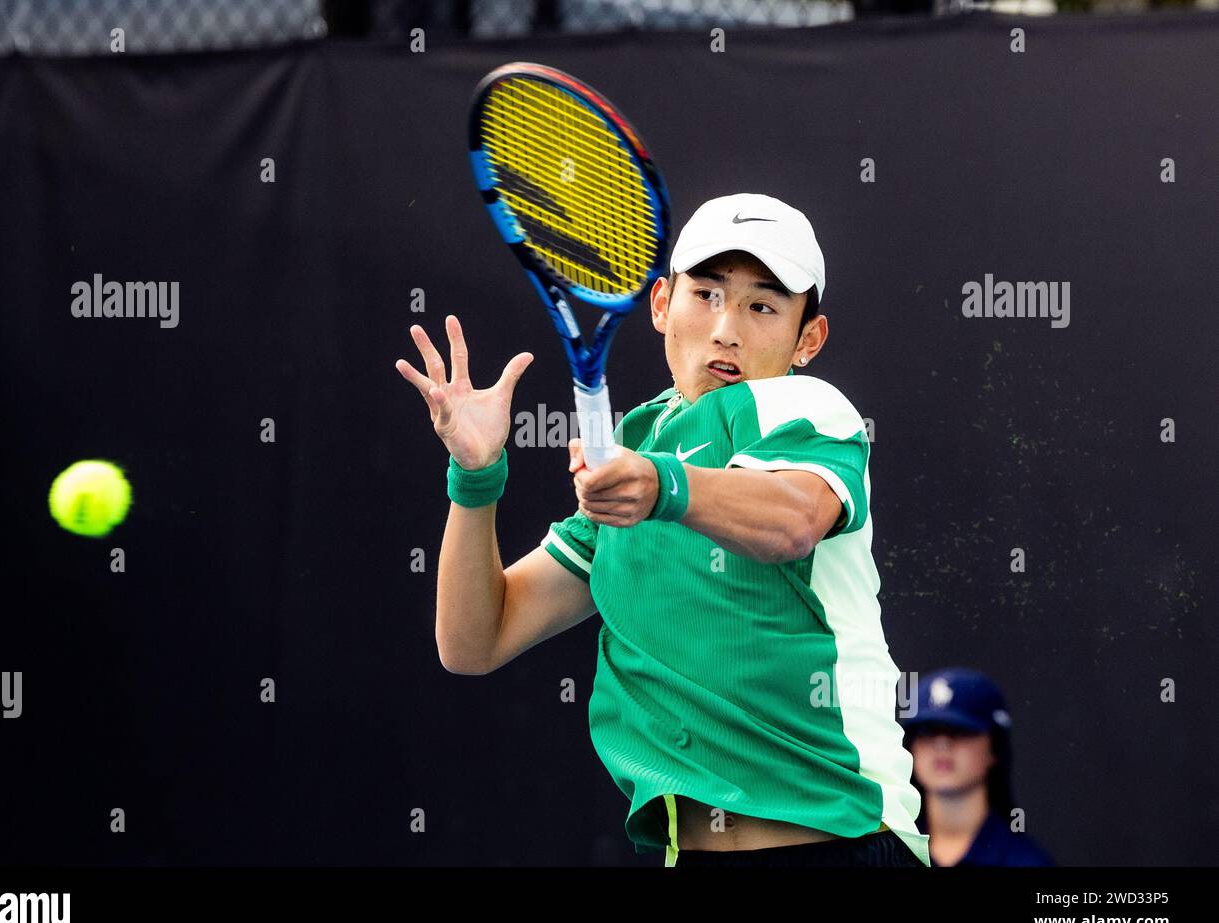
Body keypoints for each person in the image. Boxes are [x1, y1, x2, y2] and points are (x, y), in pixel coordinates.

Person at [396, 193, 929, 867]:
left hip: (840, 840)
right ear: (659, 305)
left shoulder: (807, 407)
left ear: (808, 340)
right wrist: (476, 480)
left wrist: (661, 486)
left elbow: (794, 518)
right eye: (706, 294)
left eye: (762, 306)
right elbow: (474, 641)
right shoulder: (638, 445)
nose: (726, 328)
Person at [901, 668, 1055, 866]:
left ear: (995, 747)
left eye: (959, 730)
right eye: (927, 732)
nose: (942, 745)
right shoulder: (882, 855)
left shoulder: (1027, 863)